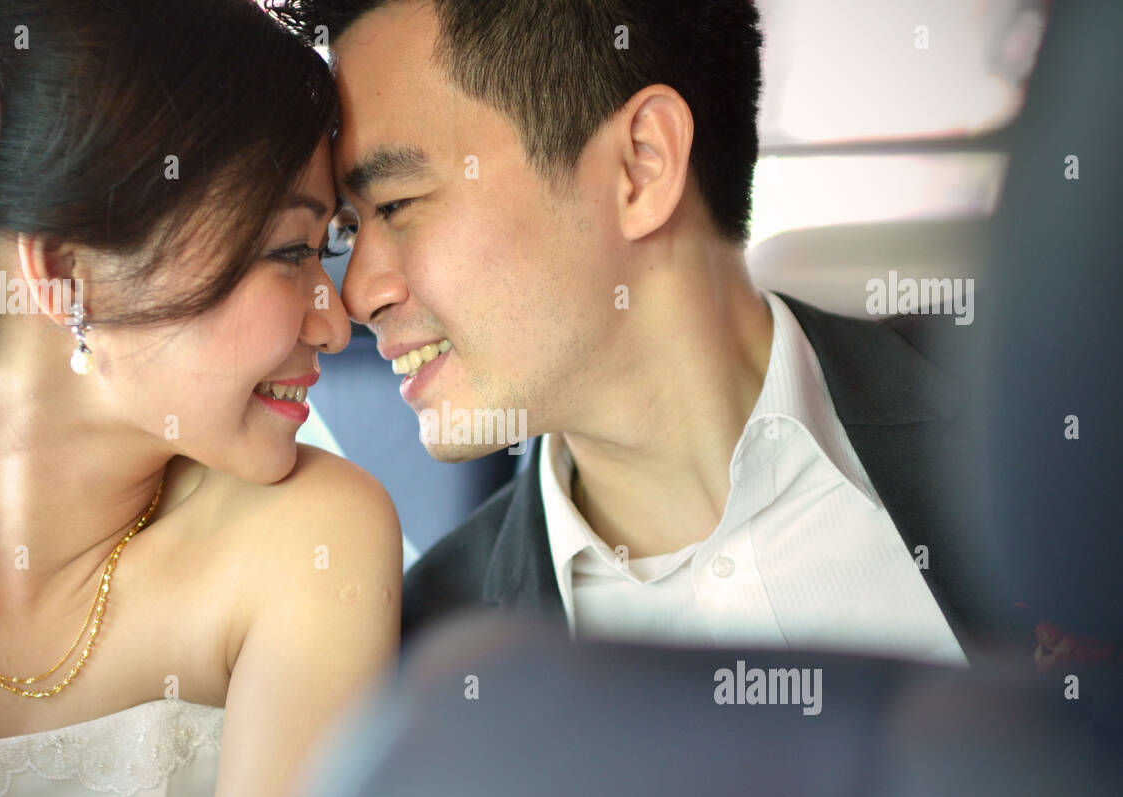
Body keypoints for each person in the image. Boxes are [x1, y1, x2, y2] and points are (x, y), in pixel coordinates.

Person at [270, 0, 1021, 669]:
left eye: (397, 204)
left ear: (641, 166)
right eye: (349, 227)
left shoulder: (1047, 416)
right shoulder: (427, 665)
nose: (354, 296)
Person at [0, 0, 400, 797]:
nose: (335, 322)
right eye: (288, 251)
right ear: (65, 275)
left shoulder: (314, 544)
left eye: (328, 248)